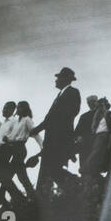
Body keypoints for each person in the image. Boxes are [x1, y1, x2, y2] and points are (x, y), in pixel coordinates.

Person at [33, 67, 81, 197]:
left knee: (53, 169)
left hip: (60, 139)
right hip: (52, 139)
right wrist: (37, 129)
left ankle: (76, 185)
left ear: (65, 79)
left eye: (58, 77)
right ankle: (42, 197)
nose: (56, 80)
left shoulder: (73, 92)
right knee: (47, 170)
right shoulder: (59, 96)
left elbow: (72, 112)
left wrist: (55, 127)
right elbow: (49, 118)